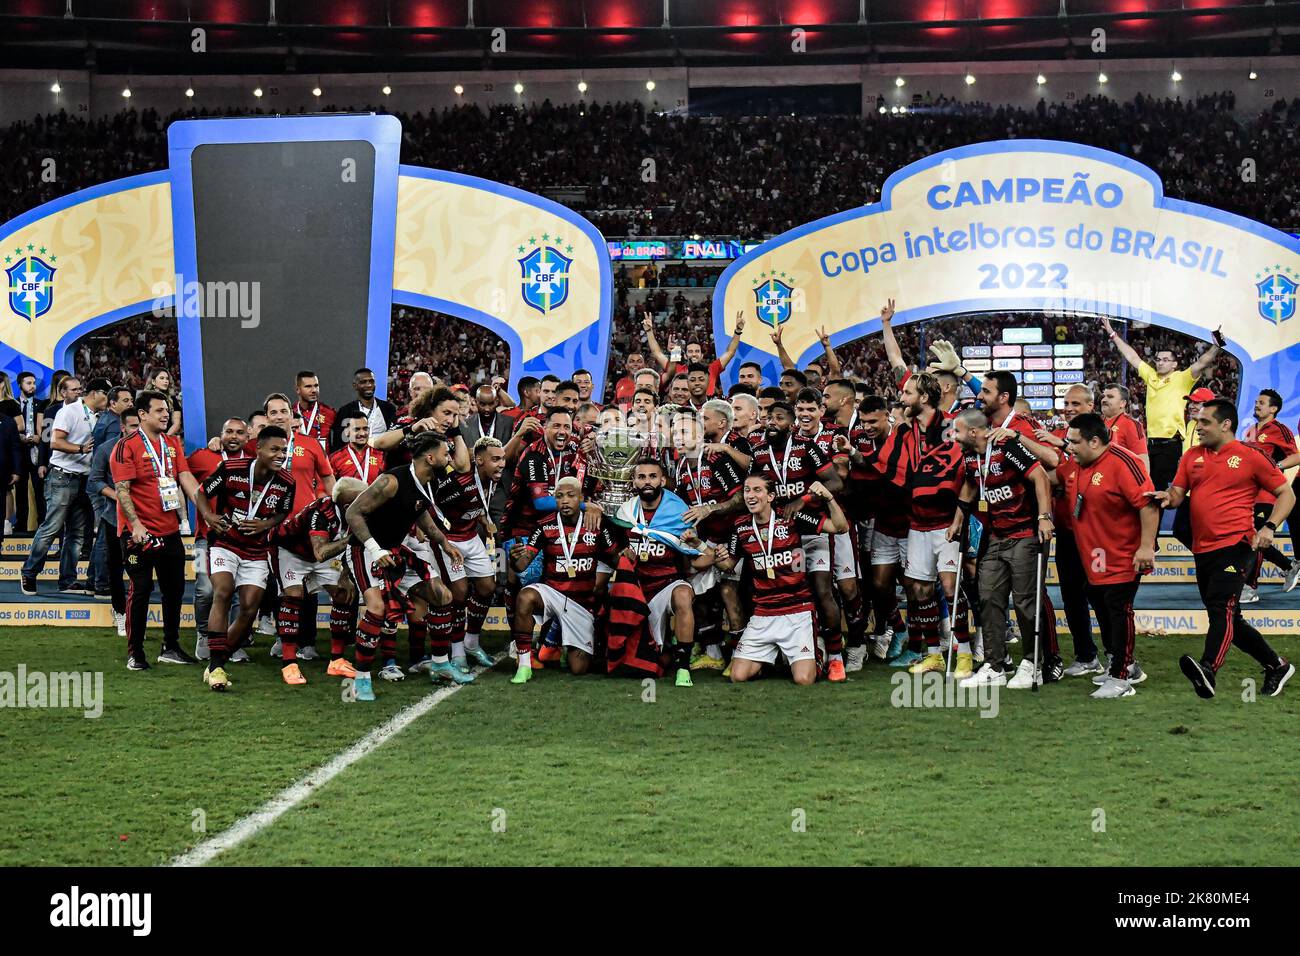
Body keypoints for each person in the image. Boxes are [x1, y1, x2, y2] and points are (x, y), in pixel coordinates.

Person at [1151, 399, 1294, 699]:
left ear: (1226, 424)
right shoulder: (1191, 456)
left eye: (1205, 422)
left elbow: (1286, 494)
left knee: (1220, 608)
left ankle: (1209, 670)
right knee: (1230, 618)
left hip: (1237, 544)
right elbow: (1178, 493)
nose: (1198, 427)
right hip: (1203, 548)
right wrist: (1167, 496)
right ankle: (1276, 665)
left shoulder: (1250, 456)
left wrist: (1269, 527)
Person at [345, 431, 467, 698]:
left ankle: (440, 666)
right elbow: (352, 512)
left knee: (442, 595)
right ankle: (361, 679)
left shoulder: (429, 480)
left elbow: (420, 511)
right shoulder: (391, 481)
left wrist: (444, 543)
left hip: (395, 550)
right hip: (364, 549)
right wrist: (375, 550)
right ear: (430, 457)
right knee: (376, 609)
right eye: (446, 454)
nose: (449, 459)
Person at [951, 408, 1060, 689]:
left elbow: (1040, 477)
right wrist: (957, 521)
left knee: (1025, 602)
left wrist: (1044, 517)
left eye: (958, 431)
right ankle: (994, 665)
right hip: (996, 536)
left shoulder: (1005, 447)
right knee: (988, 597)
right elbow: (969, 488)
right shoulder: (970, 456)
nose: (954, 436)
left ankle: (1031, 664)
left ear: (974, 432)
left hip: (1024, 533)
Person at [115, 390, 221, 669]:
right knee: (140, 590)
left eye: (167, 411)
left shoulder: (172, 443)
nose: (166, 415)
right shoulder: (126, 446)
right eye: (160, 410)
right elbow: (122, 489)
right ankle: (135, 653)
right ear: (143, 414)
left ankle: (170, 646)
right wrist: (135, 525)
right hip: (138, 534)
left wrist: (206, 511)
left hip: (169, 531)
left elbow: (184, 477)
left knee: (173, 591)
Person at [712, 475, 849, 685]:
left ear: (771, 496)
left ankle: (817, 647)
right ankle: (777, 654)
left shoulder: (790, 517)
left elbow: (840, 527)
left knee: (804, 680)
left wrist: (829, 498)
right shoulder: (740, 526)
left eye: (757, 490)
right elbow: (728, 565)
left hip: (797, 610)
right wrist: (712, 554)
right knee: (737, 676)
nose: (750, 495)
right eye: (747, 490)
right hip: (763, 613)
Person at [747, 398, 846, 679]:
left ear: (791, 424)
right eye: (769, 417)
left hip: (812, 528)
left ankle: (836, 656)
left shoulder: (806, 447)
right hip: (779, 534)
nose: (772, 422)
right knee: (784, 590)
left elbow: (836, 482)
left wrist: (803, 499)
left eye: (779, 418)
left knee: (822, 589)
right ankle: (791, 651)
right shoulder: (759, 452)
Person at [1063, 413, 1160, 699]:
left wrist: (1145, 547)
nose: (1069, 447)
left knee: (1118, 610)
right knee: (1102, 606)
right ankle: (1125, 665)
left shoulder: (1123, 462)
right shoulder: (1083, 462)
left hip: (1123, 554)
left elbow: (1149, 505)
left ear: (1094, 441)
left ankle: (1121, 678)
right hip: (1095, 554)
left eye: (1073, 441)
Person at [198, 426, 297, 691]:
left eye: (284, 450)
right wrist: (209, 516)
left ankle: (215, 663)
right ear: (259, 449)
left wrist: (265, 525)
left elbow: (283, 513)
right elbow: (201, 492)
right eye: (274, 449)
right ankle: (218, 665)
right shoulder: (233, 469)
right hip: (225, 543)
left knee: (250, 608)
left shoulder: (287, 482)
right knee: (223, 591)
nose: (280, 455)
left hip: (256, 551)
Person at [508, 476, 618, 684]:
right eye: (559, 497)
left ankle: (560, 641)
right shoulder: (544, 525)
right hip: (554, 594)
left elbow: (614, 559)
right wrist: (514, 560)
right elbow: (522, 565)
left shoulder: (595, 524)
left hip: (582, 604)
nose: (565, 501)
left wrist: (628, 558)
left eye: (570, 496)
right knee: (526, 596)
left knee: (579, 669)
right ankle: (524, 665)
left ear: (581, 498)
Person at [1101, 316, 1222, 491]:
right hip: (1151, 445)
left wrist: (1216, 346)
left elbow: (1202, 363)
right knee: (1152, 491)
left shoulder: (1182, 378)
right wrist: (1112, 333)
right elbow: (1131, 356)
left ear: (1174, 364)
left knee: (1172, 492)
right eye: (1158, 359)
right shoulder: (1151, 376)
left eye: (1165, 360)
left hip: (1171, 445)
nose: (1160, 363)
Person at [269, 477, 365, 686]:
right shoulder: (320, 512)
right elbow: (321, 552)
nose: (368, 502)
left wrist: (345, 574)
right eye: (363, 499)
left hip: (321, 554)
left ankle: (336, 660)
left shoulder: (357, 512)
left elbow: (351, 548)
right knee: (294, 596)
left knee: (344, 593)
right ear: (348, 505)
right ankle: (289, 663)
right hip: (290, 552)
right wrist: (353, 537)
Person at [20, 376, 108, 596]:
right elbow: (55, 442)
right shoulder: (69, 411)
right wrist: (80, 449)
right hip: (62, 477)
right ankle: (29, 573)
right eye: (107, 394)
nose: (109, 399)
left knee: (77, 534)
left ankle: (67, 581)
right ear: (96, 393)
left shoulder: (98, 415)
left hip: (84, 479)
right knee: (51, 528)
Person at [432, 435, 508, 672]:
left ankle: (471, 642)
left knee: (487, 587)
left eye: (503, 459)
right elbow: (434, 503)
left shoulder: (492, 479)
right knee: (460, 592)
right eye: (495, 459)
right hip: (449, 540)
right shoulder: (459, 480)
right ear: (479, 460)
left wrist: (484, 521)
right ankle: (456, 652)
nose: (501, 464)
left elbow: (478, 503)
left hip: (471, 537)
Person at [623, 459, 702, 687]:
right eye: (642, 477)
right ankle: (664, 649)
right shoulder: (625, 512)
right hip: (636, 590)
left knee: (683, 595)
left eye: (652, 476)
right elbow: (613, 553)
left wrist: (702, 547)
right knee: (645, 667)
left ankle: (684, 668)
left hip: (666, 584)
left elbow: (701, 557)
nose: (647, 481)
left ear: (663, 480)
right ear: (634, 482)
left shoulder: (679, 513)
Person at [187, 418, 250, 660]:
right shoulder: (203, 456)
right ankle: (204, 635)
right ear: (220, 434)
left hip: (241, 540)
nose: (233, 436)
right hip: (206, 537)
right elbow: (180, 473)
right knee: (205, 589)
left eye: (239, 433)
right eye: (228, 432)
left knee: (237, 591)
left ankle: (232, 641)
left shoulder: (254, 458)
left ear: (247, 437)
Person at [1240, 388, 1300, 598]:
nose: (1257, 405)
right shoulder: (1250, 430)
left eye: (1262, 402)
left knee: (1256, 535)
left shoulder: (1279, 429)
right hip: (1247, 494)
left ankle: (1250, 587)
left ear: (1273, 409)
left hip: (1268, 494)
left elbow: (1296, 456)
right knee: (1250, 536)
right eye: (1256, 401)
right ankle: (1288, 566)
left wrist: (1275, 465)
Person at [86, 406, 139, 634]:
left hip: (145, 519)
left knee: (139, 572)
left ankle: (136, 617)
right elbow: (95, 481)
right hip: (113, 518)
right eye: (134, 426)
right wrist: (117, 496)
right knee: (115, 570)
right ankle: (121, 614)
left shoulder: (150, 449)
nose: (138, 430)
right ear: (123, 426)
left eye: (140, 425)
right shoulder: (107, 449)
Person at [331, 367, 398, 449]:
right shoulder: (345, 412)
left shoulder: (388, 409)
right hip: (355, 459)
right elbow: (339, 443)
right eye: (363, 382)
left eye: (371, 381)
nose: (369, 385)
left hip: (383, 459)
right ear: (355, 386)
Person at [14, 370, 47, 533]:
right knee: (20, 491)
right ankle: (20, 526)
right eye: (28, 383)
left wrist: (39, 438)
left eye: (34, 383)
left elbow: (47, 430)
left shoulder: (41, 404)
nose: (32, 386)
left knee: (40, 490)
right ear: (20, 384)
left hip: (37, 453)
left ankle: (43, 524)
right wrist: (18, 437)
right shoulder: (12, 404)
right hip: (19, 453)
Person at [1099, 384, 1150, 469]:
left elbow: (1142, 463)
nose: (1104, 400)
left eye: (1110, 397)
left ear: (1122, 403)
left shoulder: (1131, 425)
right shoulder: (1097, 423)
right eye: (1103, 396)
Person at [329, 414, 385, 485]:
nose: (362, 433)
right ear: (347, 432)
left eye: (365, 429)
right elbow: (328, 487)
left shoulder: (381, 455)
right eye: (357, 429)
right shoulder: (335, 458)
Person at [293, 370, 336, 454]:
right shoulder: (290, 413)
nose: (314, 390)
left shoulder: (329, 413)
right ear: (298, 389)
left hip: (323, 464)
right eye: (308, 386)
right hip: (297, 461)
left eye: (316, 386)